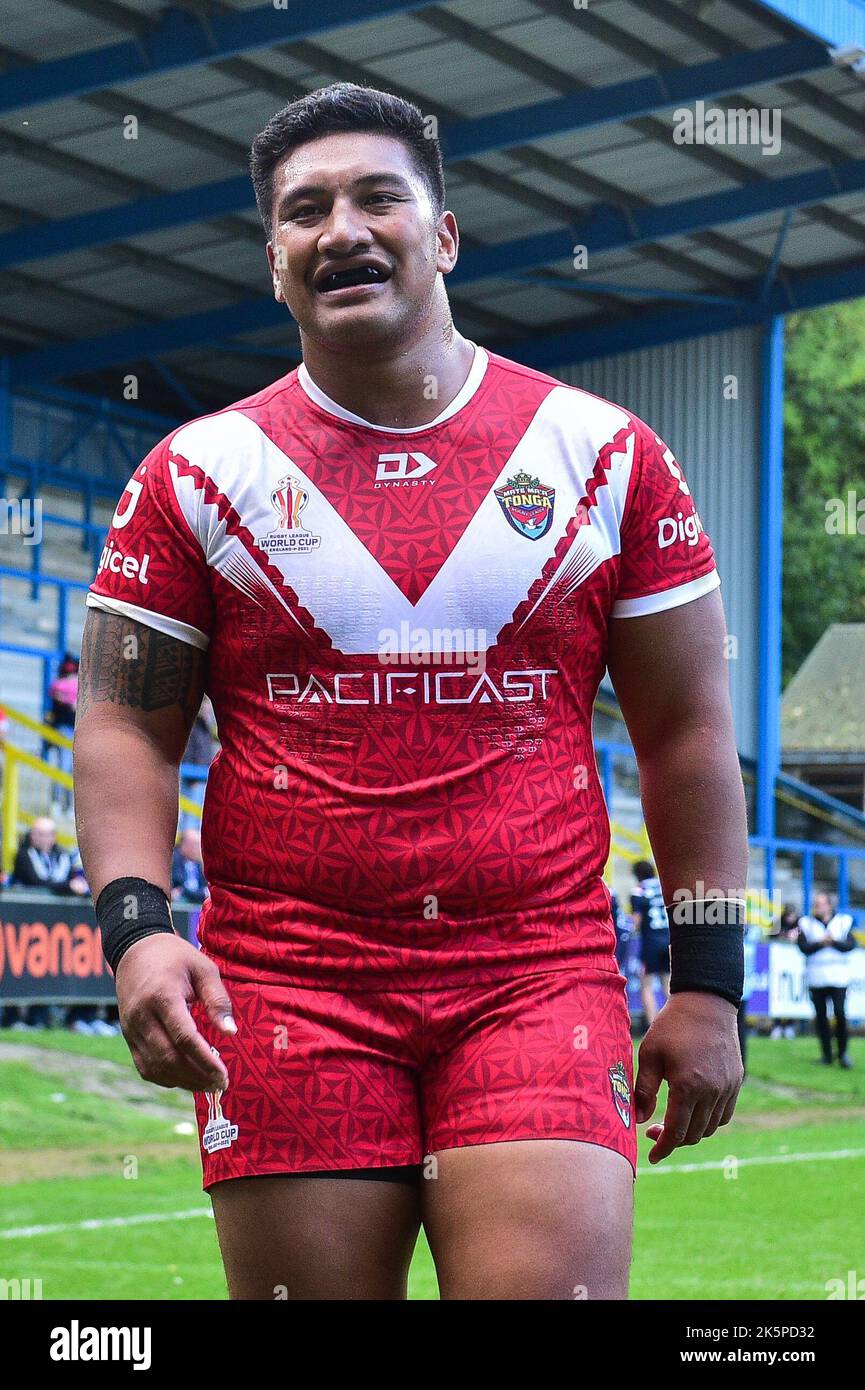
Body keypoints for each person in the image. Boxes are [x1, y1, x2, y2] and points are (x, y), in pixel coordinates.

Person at [74, 83, 748, 1302]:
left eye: (379, 195)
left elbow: (689, 731)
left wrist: (707, 982)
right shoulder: (192, 476)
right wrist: (136, 926)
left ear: (443, 235)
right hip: (284, 980)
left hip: (535, 969)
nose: (342, 228)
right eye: (304, 209)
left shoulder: (604, 456)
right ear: (273, 260)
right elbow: (127, 718)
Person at [798, 891, 856, 1068]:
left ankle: (843, 1053)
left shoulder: (842, 922)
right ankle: (826, 1054)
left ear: (829, 905)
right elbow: (803, 947)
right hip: (816, 977)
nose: (818, 906)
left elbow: (850, 945)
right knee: (821, 1017)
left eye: (821, 903)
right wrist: (820, 943)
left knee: (840, 1014)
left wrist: (833, 942)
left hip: (838, 977)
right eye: (816, 903)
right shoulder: (806, 923)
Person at [630, 859, 670, 1028]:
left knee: (645, 984)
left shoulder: (639, 890)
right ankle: (676, 1024)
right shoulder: (663, 887)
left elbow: (636, 922)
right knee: (667, 983)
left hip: (651, 943)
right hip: (668, 939)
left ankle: (653, 1027)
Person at [11, 818, 77, 894]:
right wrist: (68, 886)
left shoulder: (63, 856)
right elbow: (35, 882)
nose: (33, 837)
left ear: (53, 836)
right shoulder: (24, 855)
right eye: (33, 833)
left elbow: (71, 878)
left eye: (40, 834)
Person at [769, 903, 800, 1040]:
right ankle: (777, 1025)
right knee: (777, 994)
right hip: (779, 965)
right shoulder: (777, 923)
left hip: (794, 965)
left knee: (793, 995)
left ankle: (789, 1026)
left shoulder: (801, 924)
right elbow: (770, 937)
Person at [171, 829, 208, 905]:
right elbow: (180, 887)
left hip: (195, 903)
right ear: (185, 844)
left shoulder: (198, 863)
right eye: (196, 845)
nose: (199, 849)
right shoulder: (173, 859)